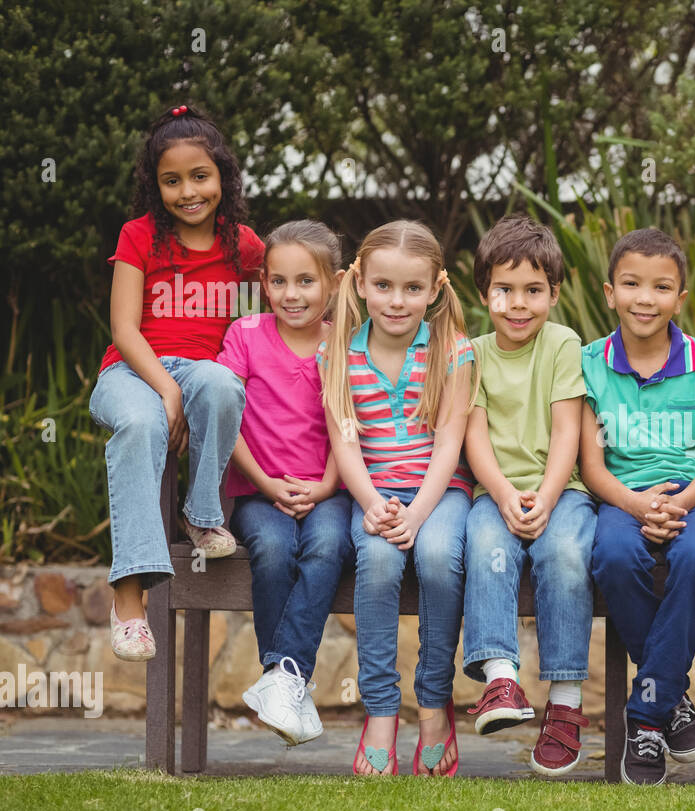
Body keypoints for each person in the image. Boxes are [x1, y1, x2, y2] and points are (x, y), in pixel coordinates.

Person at [89, 104, 263, 663]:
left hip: (198, 373)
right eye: (171, 180)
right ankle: (129, 600)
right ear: (154, 185)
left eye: (199, 176)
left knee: (220, 381)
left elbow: (287, 304)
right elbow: (123, 327)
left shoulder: (245, 246)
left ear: (223, 178)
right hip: (131, 370)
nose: (187, 191)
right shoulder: (139, 236)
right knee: (140, 423)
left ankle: (202, 514)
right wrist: (166, 389)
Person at [320, 221, 476, 777]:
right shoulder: (337, 352)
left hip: (440, 493)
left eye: (413, 288)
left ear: (435, 289)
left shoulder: (452, 351)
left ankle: (434, 706)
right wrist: (370, 502)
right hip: (373, 491)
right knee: (380, 560)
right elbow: (345, 441)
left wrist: (417, 511)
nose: (396, 300)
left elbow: (451, 444)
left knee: (437, 557)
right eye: (383, 285)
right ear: (360, 283)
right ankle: (381, 712)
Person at [579, 228, 695, 785]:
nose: (646, 298)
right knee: (615, 557)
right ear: (609, 292)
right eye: (631, 284)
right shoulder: (590, 363)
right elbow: (593, 468)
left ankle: (644, 719)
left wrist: (677, 503)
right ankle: (674, 701)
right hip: (622, 497)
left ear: (681, 298)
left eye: (661, 286)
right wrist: (638, 506)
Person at [460, 214, 597, 777]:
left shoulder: (563, 343)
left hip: (562, 490)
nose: (519, 304)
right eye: (505, 290)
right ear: (484, 293)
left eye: (533, 291)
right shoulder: (472, 354)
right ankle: (500, 679)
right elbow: (473, 435)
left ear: (554, 294)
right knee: (486, 547)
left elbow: (567, 429)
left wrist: (544, 494)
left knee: (564, 554)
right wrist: (500, 493)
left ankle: (564, 704)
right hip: (495, 493)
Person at [218, 221, 353, 746]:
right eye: (278, 281)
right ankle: (289, 679)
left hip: (328, 490)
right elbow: (224, 422)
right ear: (263, 281)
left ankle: (282, 679)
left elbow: (350, 422)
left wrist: (323, 486)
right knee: (273, 549)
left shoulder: (341, 345)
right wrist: (268, 483)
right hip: (256, 490)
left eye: (305, 282)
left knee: (326, 545)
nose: (290, 294)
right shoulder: (246, 336)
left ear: (335, 283)